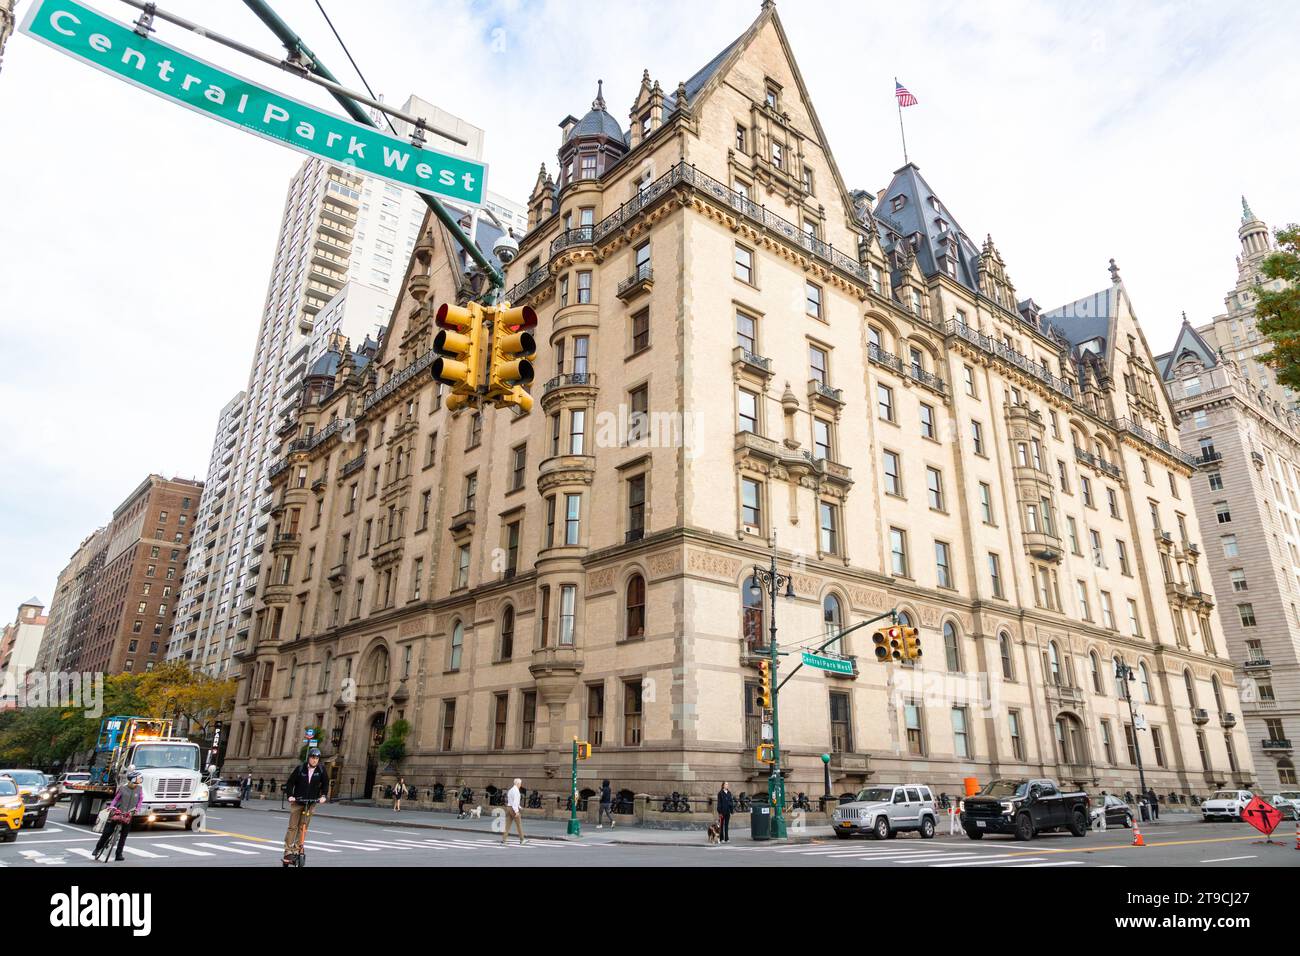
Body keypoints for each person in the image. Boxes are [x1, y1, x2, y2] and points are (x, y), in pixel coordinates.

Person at [283, 748, 329, 863]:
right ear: (309, 758)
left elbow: (325, 784)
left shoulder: (321, 770)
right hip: (298, 801)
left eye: (317, 758)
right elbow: (290, 783)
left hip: (311, 802)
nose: (314, 760)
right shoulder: (300, 769)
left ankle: (297, 849)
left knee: (303, 827)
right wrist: (290, 796)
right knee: (293, 826)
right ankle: (288, 851)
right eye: (313, 758)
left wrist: (323, 796)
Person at [94, 771, 143, 862]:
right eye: (139, 778)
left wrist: (137, 809)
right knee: (107, 832)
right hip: (118, 812)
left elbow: (140, 800)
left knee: (123, 836)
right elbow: (116, 799)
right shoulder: (123, 788)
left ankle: (118, 854)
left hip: (129, 814)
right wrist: (112, 806)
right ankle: (97, 848)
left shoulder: (139, 789)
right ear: (133, 779)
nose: (141, 779)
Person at [502, 777, 526, 846]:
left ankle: (504, 839)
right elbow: (515, 802)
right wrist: (517, 811)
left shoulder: (511, 790)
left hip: (509, 808)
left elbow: (511, 801)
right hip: (513, 808)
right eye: (520, 784)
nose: (520, 785)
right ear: (518, 783)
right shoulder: (516, 791)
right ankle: (522, 840)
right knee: (519, 824)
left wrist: (519, 807)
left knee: (507, 825)